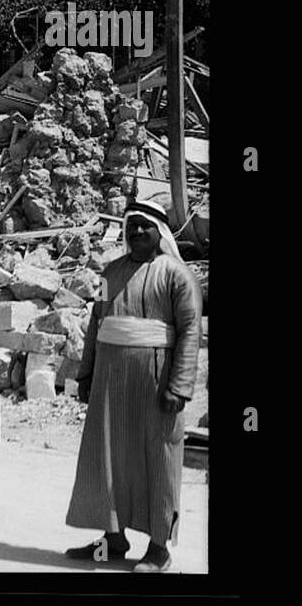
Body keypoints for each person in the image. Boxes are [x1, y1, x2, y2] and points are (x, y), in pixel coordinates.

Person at [64, 199, 203, 572]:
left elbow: (190, 330)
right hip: (110, 380)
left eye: (145, 225)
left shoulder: (176, 275)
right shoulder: (110, 275)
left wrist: (179, 385)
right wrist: (87, 374)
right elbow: (97, 323)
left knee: (159, 460)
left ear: (161, 232)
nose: (137, 232)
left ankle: (159, 549)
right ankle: (113, 539)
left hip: (156, 381)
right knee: (107, 457)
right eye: (131, 226)